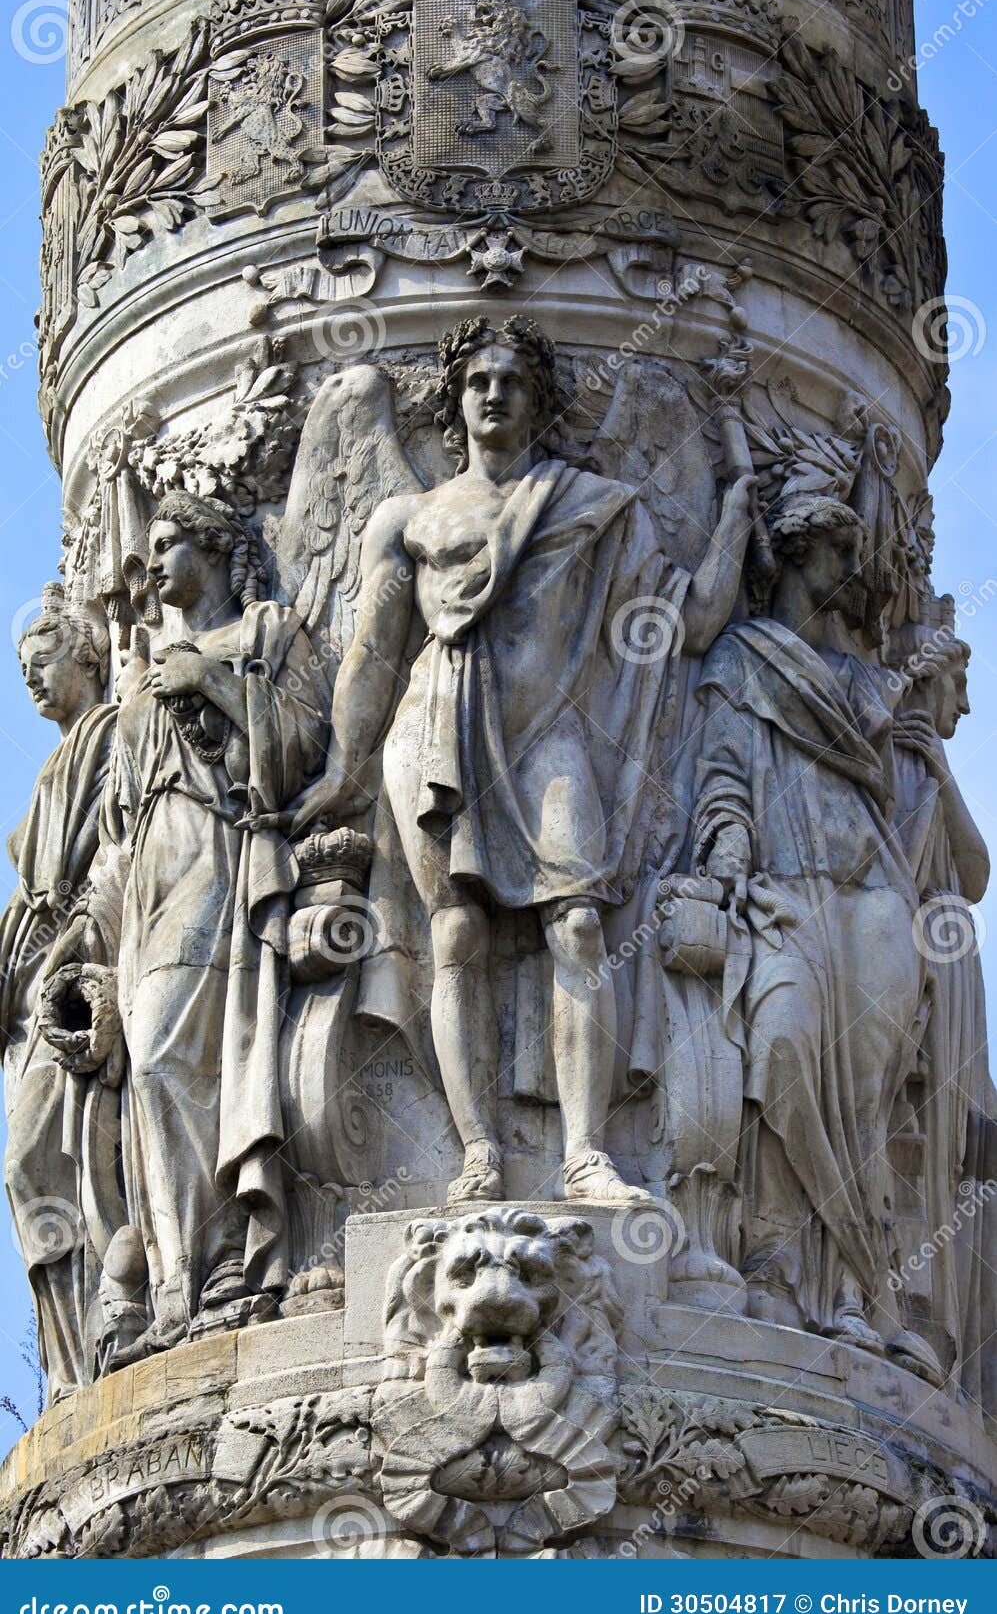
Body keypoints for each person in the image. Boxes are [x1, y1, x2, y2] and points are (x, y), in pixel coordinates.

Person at [290, 316, 755, 1203]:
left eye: (511, 378)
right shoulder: (410, 518)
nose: (493, 392)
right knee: (454, 934)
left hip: (553, 733)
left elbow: (684, 624)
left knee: (577, 925)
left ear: (537, 399)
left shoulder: (592, 504)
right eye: (477, 380)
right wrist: (342, 774)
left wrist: (731, 524)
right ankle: (479, 1151)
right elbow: (372, 655)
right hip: (439, 729)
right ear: (454, 399)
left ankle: (585, 1151)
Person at [49, 497, 327, 1354]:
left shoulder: (264, 632)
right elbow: (117, 833)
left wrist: (210, 681)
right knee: (148, 1070)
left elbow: (306, 746)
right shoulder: (137, 692)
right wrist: (87, 946)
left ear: (215, 549)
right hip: (149, 883)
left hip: (220, 853)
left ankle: (227, 1260)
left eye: (169, 543)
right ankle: (177, 1280)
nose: (152, 561)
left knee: (177, 1051)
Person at [694, 495, 938, 1370]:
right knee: (785, 1050)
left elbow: (903, 801)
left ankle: (851, 1294)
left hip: (871, 894)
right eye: (839, 553)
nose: (851, 572)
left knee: (865, 1101)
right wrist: (725, 843)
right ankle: (773, 1261)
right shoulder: (738, 656)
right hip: (783, 891)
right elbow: (720, 768)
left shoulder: (869, 683)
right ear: (801, 556)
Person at [1, 585, 116, 1399]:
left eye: (40, 658)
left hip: (82, 970)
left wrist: (79, 937)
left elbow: (123, 847)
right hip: (36, 983)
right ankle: (69, 1361)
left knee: (46, 1152)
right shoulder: (52, 771)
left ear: (84, 651)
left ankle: (107, 1326)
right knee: (27, 1167)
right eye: (20, 669)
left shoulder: (112, 736)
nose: (30, 679)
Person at [893, 623, 996, 1411]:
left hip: (944, 952)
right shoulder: (884, 750)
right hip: (903, 949)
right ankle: (908, 1300)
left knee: (953, 1152)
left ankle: (935, 1315)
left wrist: (940, 772)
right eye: (956, 682)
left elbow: (973, 874)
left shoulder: (927, 758)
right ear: (928, 679)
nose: (964, 699)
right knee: (910, 1141)